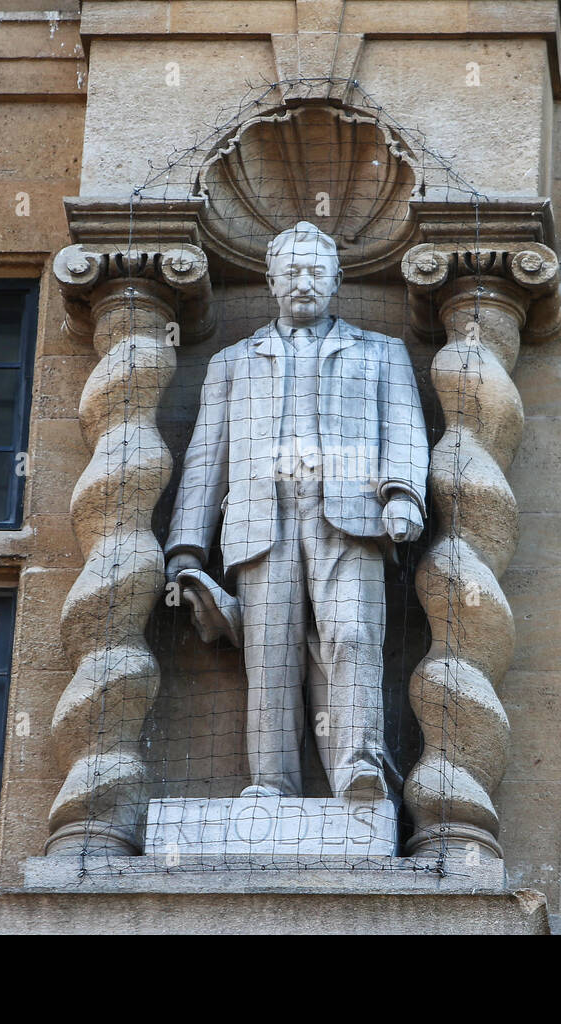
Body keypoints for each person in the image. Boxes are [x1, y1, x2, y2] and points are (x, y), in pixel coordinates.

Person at [165, 221, 429, 802]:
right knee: (270, 657)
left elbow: (405, 429)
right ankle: (271, 783)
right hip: (261, 519)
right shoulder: (233, 361)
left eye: (315, 272)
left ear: (337, 280)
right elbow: (207, 458)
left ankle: (360, 766)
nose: (304, 282)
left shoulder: (380, 352)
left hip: (351, 514)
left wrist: (403, 494)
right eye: (292, 272)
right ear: (270, 281)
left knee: (353, 636)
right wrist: (185, 549)